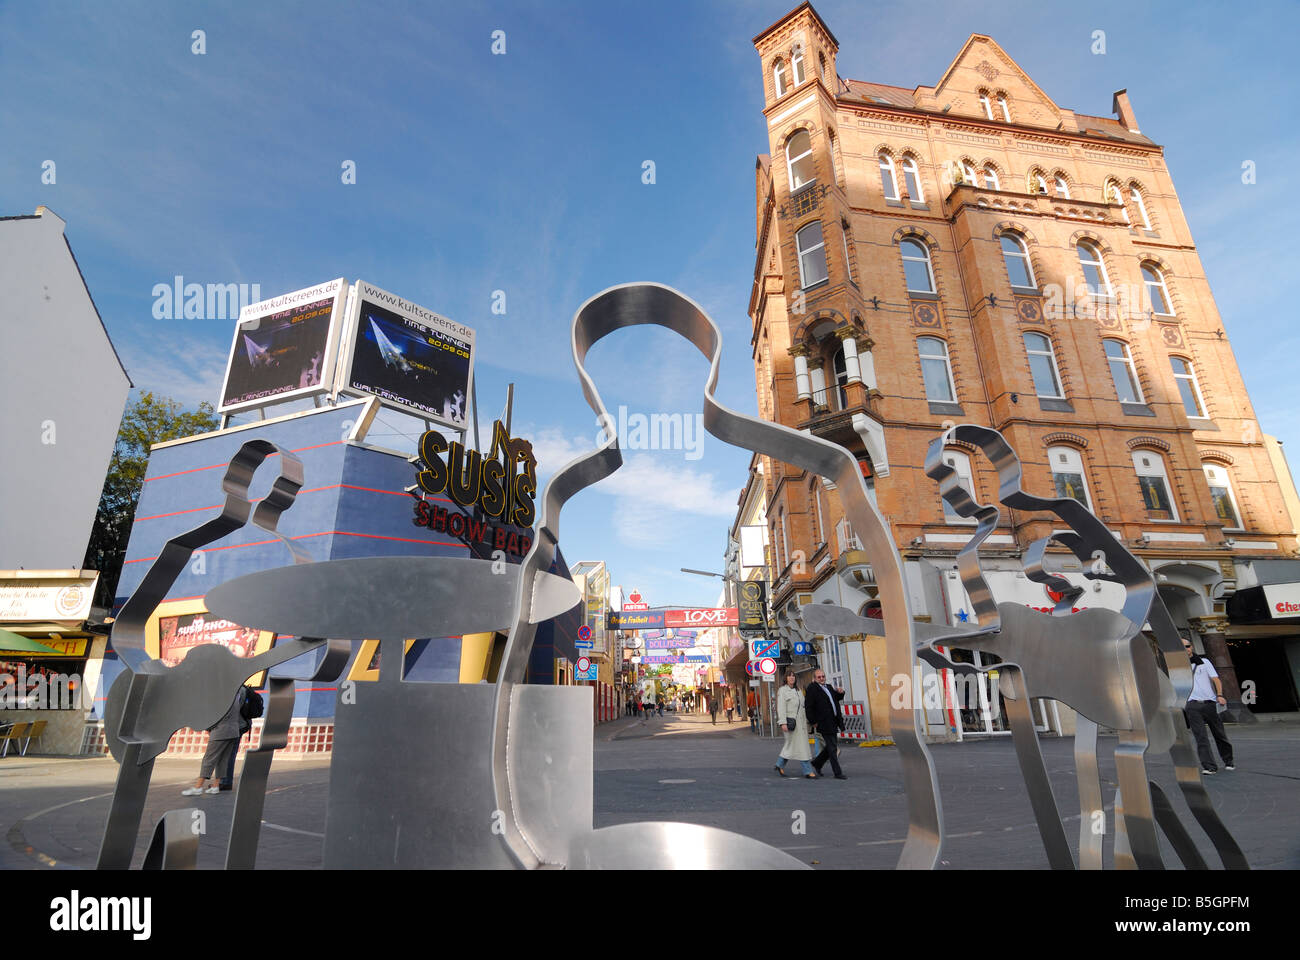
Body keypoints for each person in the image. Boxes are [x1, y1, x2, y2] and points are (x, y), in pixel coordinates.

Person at [1183, 639, 1235, 774]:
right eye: (1183, 647)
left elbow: (1216, 679)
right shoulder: (1177, 666)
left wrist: (1220, 695)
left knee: (1219, 734)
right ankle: (1209, 766)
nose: (1186, 649)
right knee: (1200, 737)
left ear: (1192, 647)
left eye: (1188, 646)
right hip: (1192, 705)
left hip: (1209, 703)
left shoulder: (1204, 662)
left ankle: (1228, 760)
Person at [183, 686, 246, 796]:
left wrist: (209, 728)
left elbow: (216, 716)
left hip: (220, 731)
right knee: (223, 759)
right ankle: (216, 786)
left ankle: (198, 787)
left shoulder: (221, 697)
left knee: (209, 759)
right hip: (234, 730)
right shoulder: (238, 693)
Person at [804, 668, 847, 779]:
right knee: (832, 748)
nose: (822, 678)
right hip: (823, 722)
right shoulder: (812, 688)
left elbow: (836, 698)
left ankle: (817, 763)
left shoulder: (828, 687)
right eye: (819, 677)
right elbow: (809, 707)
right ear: (814, 678)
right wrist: (813, 721)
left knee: (831, 746)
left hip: (833, 721)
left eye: (823, 676)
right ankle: (837, 773)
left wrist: (841, 693)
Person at [774, 670, 815, 778]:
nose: (792, 678)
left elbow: (803, 707)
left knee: (791, 746)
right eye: (789, 676)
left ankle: (779, 764)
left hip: (801, 724)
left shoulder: (798, 690)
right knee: (802, 747)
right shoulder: (782, 690)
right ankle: (808, 771)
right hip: (790, 723)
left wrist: (808, 722)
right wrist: (782, 723)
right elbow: (781, 708)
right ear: (785, 678)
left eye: (793, 676)